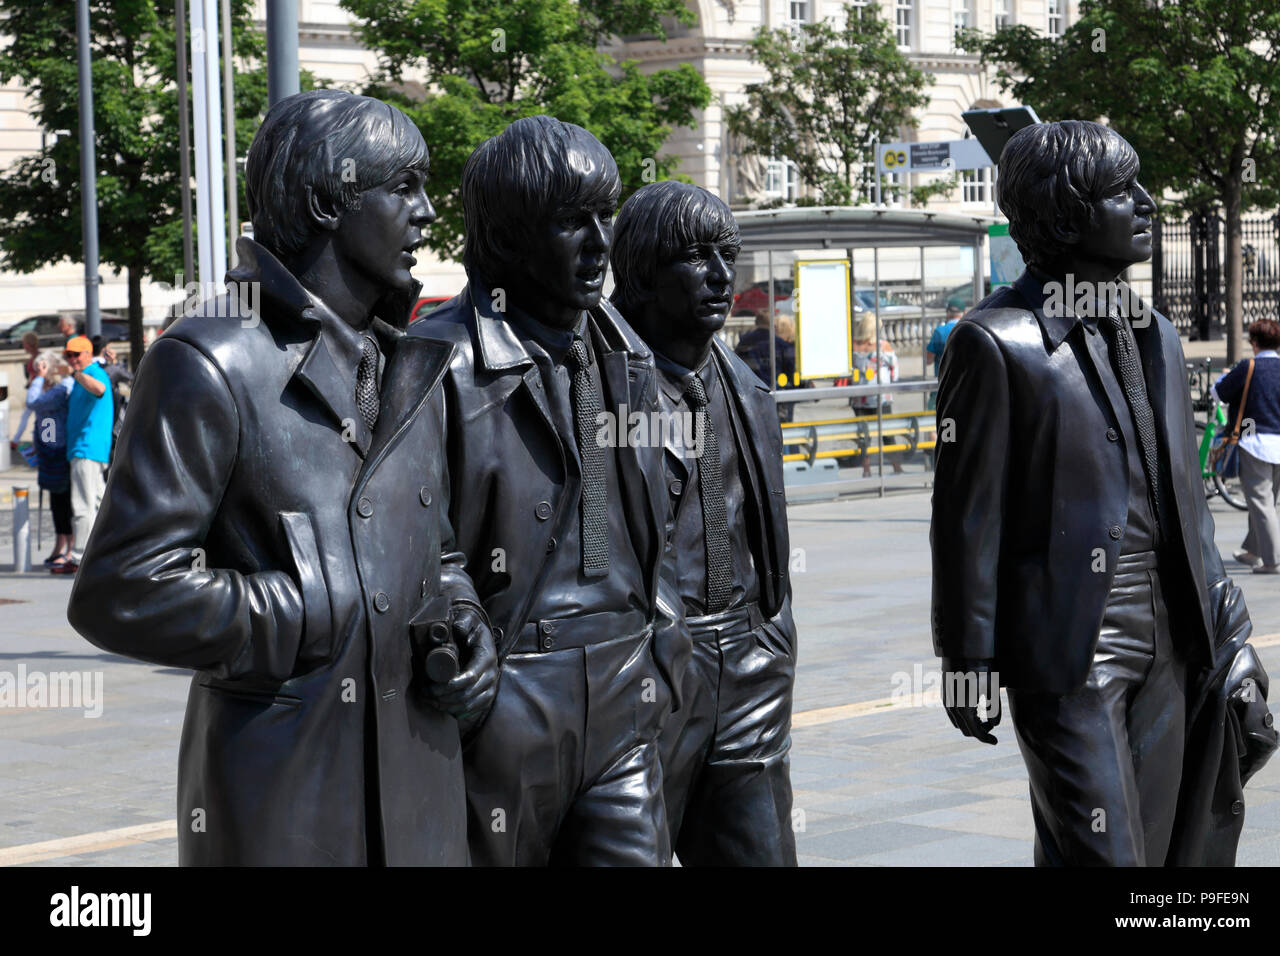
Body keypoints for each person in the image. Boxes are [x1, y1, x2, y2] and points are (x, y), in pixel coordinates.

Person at [67, 89, 496, 865]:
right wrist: (297, 609)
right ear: (329, 198)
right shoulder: (210, 360)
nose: (429, 212)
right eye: (404, 187)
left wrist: (465, 620)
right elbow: (120, 590)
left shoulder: (407, 361)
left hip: (421, 791)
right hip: (287, 802)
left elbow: (438, 552)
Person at [931, 120, 1276, 866]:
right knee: (1102, 851)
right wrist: (967, 656)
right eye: (1124, 191)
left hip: (1175, 631)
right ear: (1064, 211)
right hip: (1069, 644)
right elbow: (967, 521)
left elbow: (1186, 508)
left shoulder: (1154, 332)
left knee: (1166, 850)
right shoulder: (996, 343)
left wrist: (1230, 636)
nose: (1149, 204)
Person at [409, 115, 689, 866]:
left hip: (626, 685)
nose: (601, 242)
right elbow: (410, 535)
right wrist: (458, 615)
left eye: (607, 215)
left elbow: (657, 520)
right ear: (506, 238)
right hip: (510, 692)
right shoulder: (437, 362)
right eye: (572, 222)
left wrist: (667, 648)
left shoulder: (628, 357)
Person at [611, 180, 797, 866]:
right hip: (649, 670)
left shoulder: (746, 388)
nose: (723, 277)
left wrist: (771, 633)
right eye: (696, 258)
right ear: (642, 269)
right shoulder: (593, 382)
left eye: (729, 254)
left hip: (749, 663)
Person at [1212, 319, 1280, 574]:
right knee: (1265, 500)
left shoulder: (1248, 367)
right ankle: (1254, 551)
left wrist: (1224, 378)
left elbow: (1218, 394)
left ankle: (1273, 561)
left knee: (1261, 503)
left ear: (1254, 342)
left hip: (1256, 444)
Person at [61, 335, 113, 571]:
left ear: (88, 354)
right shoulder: (85, 376)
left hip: (87, 449)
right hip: (86, 449)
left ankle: (79, 558)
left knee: (82, 505)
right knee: (102, 505)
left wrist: (77, 375)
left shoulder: (92, 373)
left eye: (76, 354)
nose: (72, 359)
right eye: (68, 355)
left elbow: (100, 389)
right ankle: (109, 552)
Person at [24, 351, 75, 568]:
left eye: (41, 368)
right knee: (56, 504)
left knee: (66, 503)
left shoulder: (63, 387)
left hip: (60, 453)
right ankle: (59, 544)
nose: (38, 373)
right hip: (49, 452)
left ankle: (70, 549)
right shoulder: (51, 388)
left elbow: (33, 403)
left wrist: (38, 378)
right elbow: (44, 421)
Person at [850, 315, 903, 475]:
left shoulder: (853, 346)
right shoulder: (883, 346)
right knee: (887, 433)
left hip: (860, 397)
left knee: (864, 435)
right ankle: (896, 466)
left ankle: (866, 469)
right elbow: (894, 371)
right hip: (881, 397)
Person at [9, 331, 41, 449]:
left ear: (28, 344)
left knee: (31, 416)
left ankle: (17, 440)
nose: (23, 346)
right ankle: (40, 441)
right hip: (36, 390)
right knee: (30, 416)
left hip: (37, 391)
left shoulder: (36, 358)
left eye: (24, 343)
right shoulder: (35, 356)